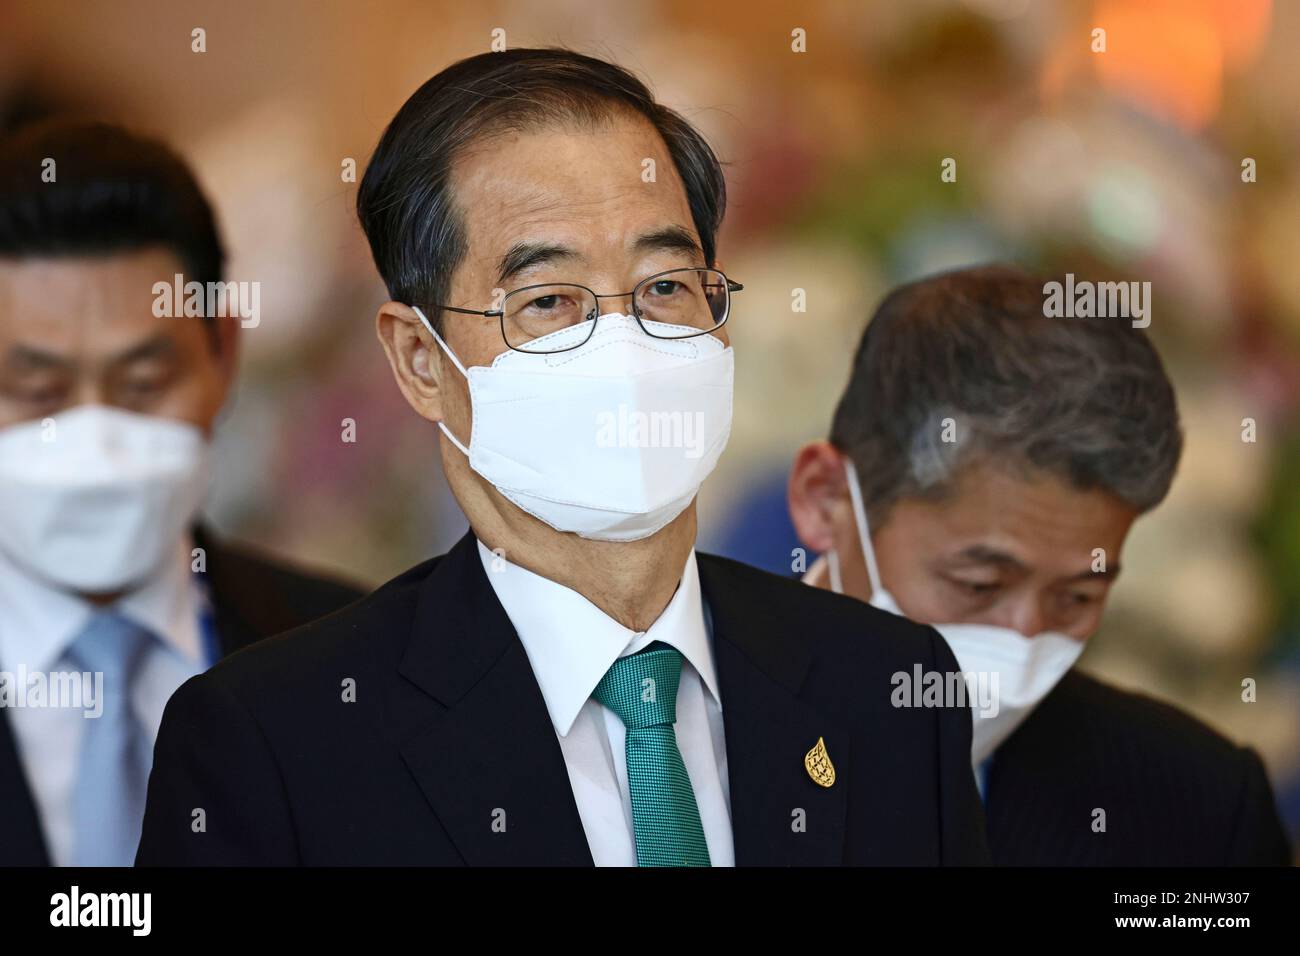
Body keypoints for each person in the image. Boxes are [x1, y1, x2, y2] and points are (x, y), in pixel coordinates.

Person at [136, 47, 989, 867]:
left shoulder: (888, 686)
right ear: (421, 362)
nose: (623, 343)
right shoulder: (275, 744)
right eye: (548, 301)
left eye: (664, 286)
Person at [788, 264, 1291, 865]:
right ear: (829, 501)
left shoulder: (1198, 813)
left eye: (1076, 598)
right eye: (979, 584)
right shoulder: (669, 746)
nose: (1023, 641)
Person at [0, 120, 365, 867]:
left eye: (144, 384)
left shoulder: (356, 658)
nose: (95, 439)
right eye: (37, 391)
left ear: (222, 353)